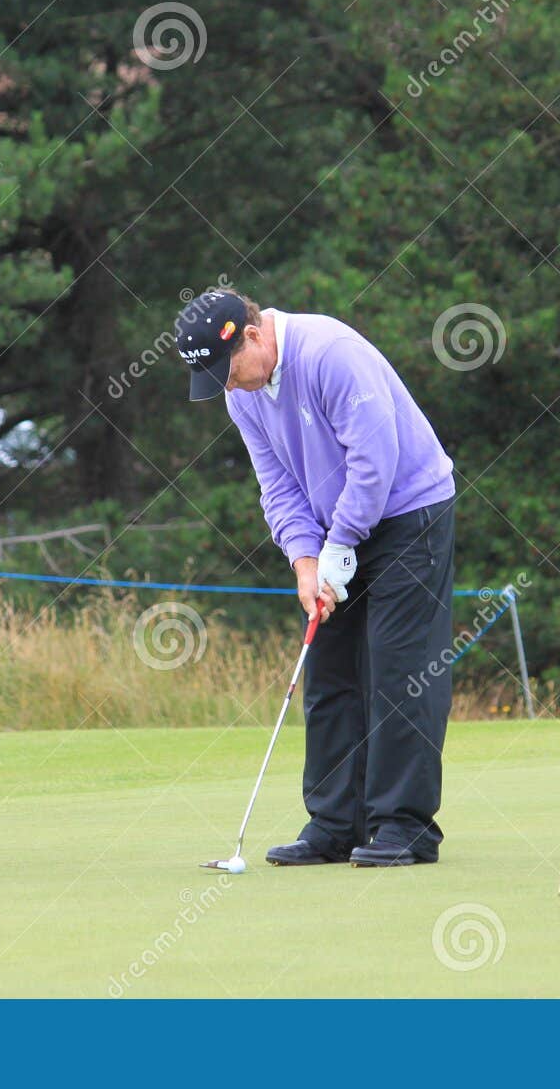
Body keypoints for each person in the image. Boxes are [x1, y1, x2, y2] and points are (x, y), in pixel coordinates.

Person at [176, 289, 457, 866]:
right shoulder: (244, 396)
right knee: (329, 672)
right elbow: (277, 485)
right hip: (334, 531)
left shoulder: (330, 352)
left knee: (399, 671)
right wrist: (306, 563)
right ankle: (335, 823)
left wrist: (341, 542)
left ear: (251, 335)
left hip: (409, 514)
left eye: (224, 369)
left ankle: (404, 828)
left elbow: (374, 462)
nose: (225, 385)